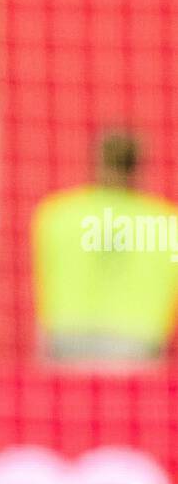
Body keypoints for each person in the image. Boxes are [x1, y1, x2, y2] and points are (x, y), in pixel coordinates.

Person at [32, 131, 178, 361]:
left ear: (97, 162)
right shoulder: (166, 222)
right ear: (136, 167)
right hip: (136, 342)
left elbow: (47, 275)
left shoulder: (57, 214)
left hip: (67, 337)